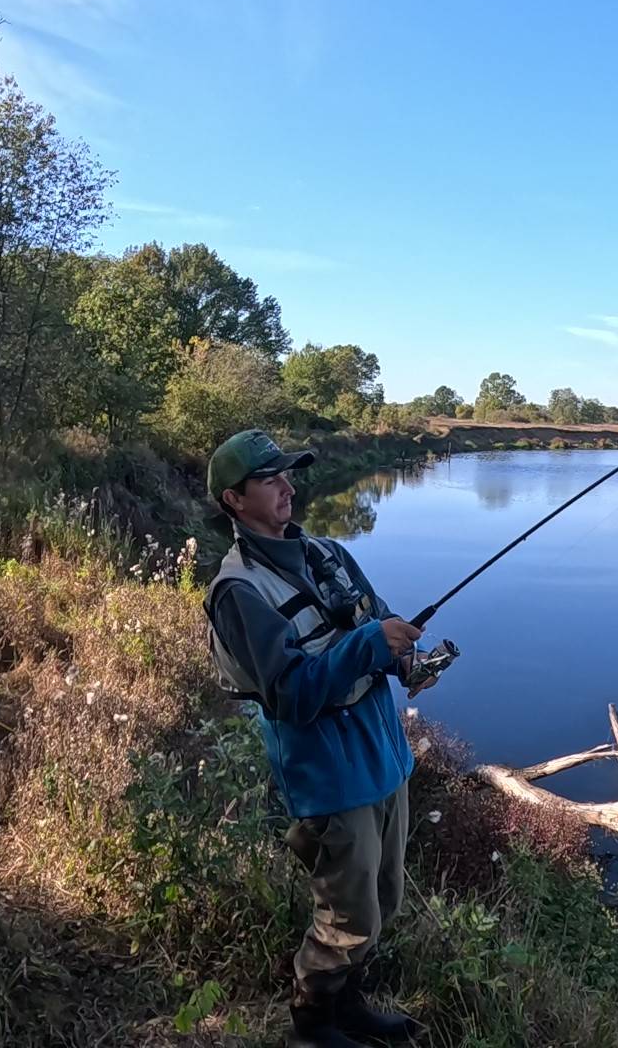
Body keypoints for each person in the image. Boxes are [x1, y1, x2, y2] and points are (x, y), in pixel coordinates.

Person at [202, 429, 433, 1047]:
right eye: (271, 478)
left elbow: (374, 616)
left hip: (384, 756)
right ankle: (311, 1026)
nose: (289, 486)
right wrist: (367, 645)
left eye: (289, 473)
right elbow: (290, 695)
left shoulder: (327, 551)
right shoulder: (237, 592)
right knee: (347, 915)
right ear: (233, 499)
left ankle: (349, 1008)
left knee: (384, 899)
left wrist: (403, 657)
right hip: (328, 774)